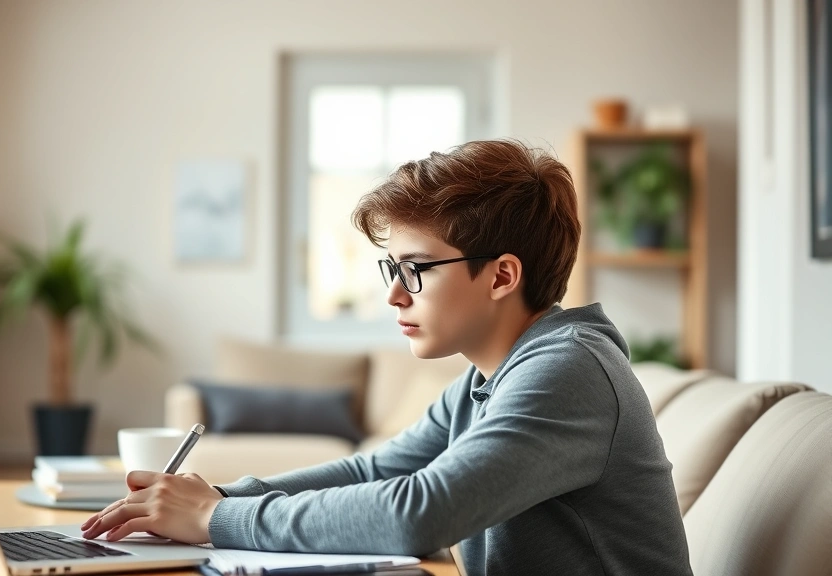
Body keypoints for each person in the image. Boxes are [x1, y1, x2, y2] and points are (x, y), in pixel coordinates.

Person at [80, 139, 693, 576]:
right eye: (392, 269)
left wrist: (217, 518)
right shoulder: (486, 379)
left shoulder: (568, 370)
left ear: (502, 276)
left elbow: (421, 513)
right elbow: (373, 472)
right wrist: (216, 496)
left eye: (417, 269)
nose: (395, 294)